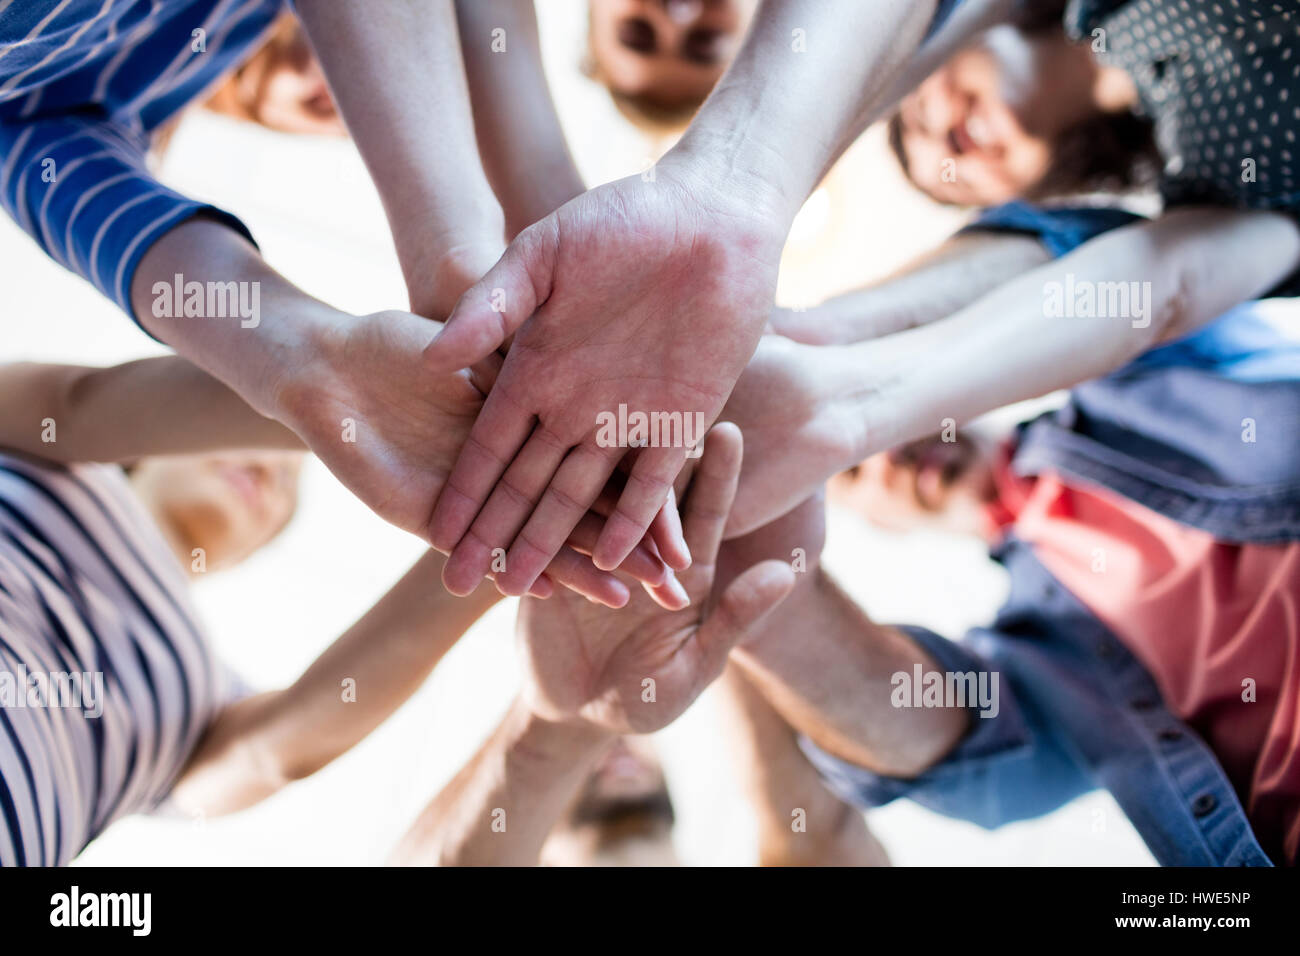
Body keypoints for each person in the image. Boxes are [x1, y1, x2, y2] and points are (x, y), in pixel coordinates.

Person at [425, 0, 1299, 601]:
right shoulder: (1221, 191)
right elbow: (1160, 283)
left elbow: (894, 38)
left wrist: (735, 199)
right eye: (946, 170)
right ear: (1048, 190)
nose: (942, 135)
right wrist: (839, 406)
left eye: (913, 114)